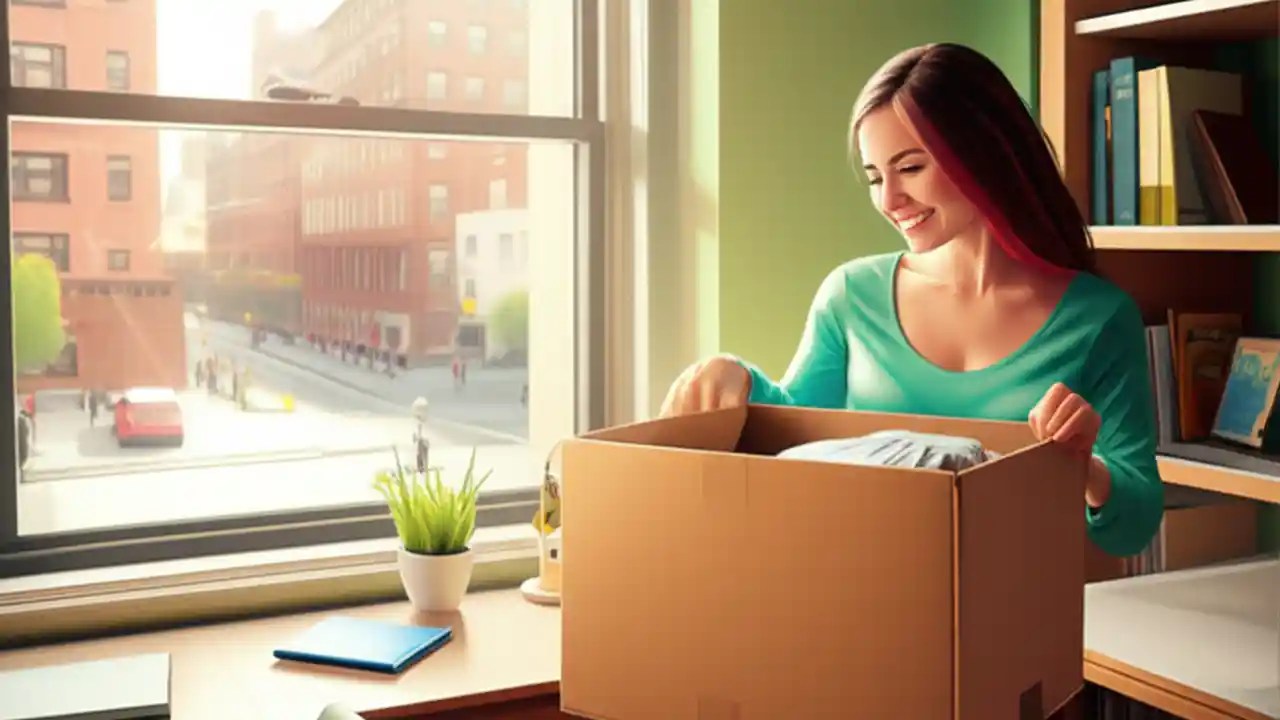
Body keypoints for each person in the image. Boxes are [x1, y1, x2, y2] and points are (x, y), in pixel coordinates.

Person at [658, 43, 1162, 559]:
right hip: (858, 587)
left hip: (1012, 596)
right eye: (876, 177)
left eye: (911, 168)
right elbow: (795, 435)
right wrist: (735, 375)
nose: (888, 200)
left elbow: (1135, 525)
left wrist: (1085, 468)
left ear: (984, 154)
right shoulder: (851, 297)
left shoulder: (1098, 318)